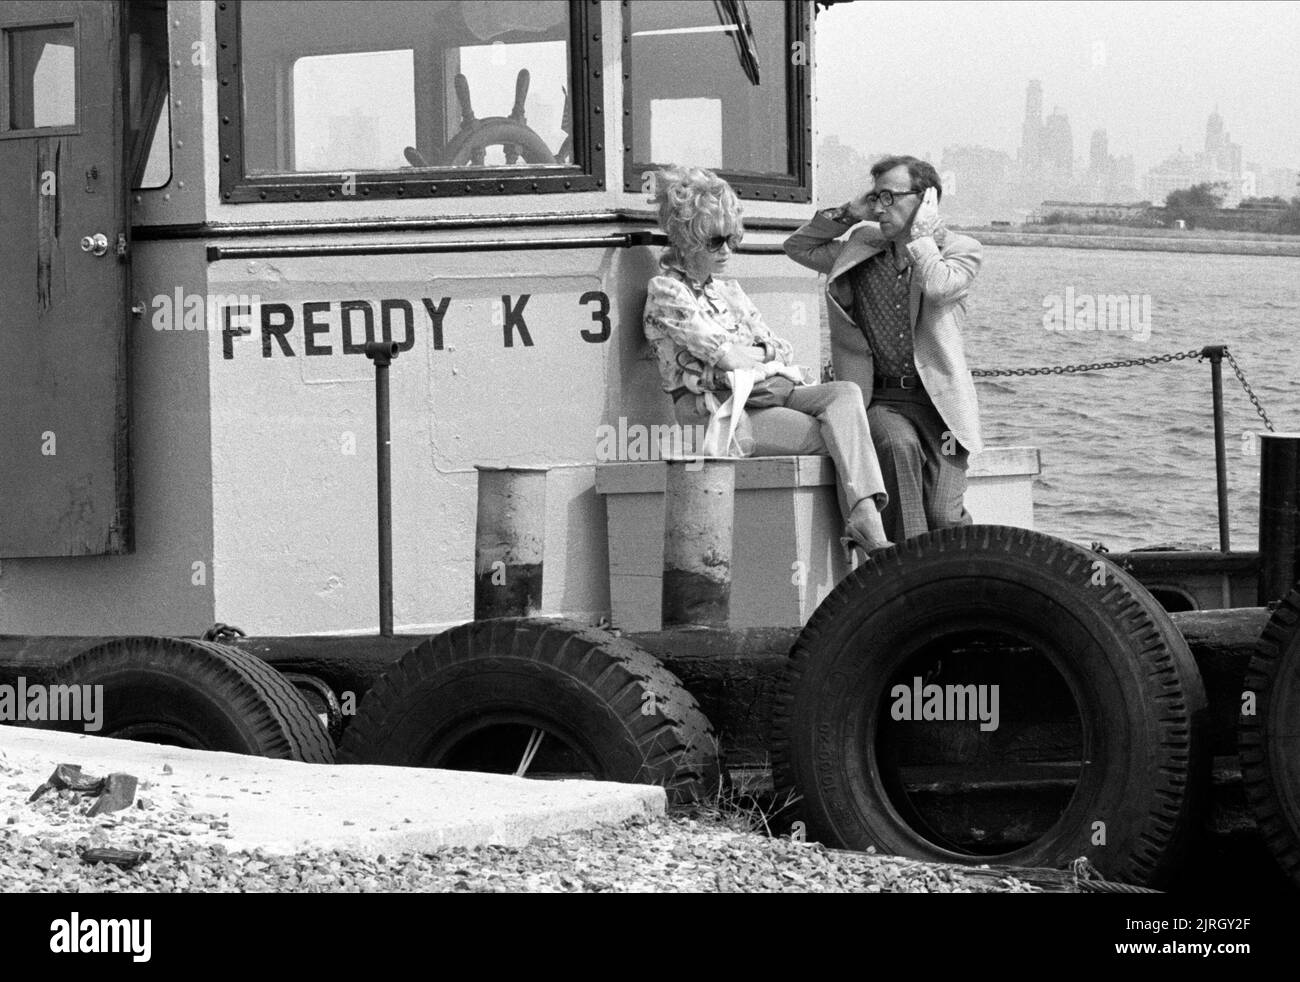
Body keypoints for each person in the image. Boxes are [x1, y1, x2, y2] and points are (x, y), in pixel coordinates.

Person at [642, 165, 891, 556]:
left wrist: (758, 357)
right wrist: (757, 357)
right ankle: (865, 525)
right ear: (687, 240)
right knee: (835, 434)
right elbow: (727, 356)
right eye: (715, 241)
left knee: (845, 395)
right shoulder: (667, 294)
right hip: (716, 411)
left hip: (763, 392)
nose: (727, 251)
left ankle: (863, 517)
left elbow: (780, 348)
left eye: (732, 239)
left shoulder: (729, 291)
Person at [784, 155, 983, 545]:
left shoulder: (962, 249)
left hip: (939, 406)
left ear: (926, 200)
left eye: (890, 196)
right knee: (896, 445)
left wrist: (921, 239)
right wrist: (849, 213)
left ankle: (963, 585)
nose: (880, 207)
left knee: (945, 514)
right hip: (880, 398)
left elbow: (940, 288)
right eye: (876, 197)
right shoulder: (862, 245)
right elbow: (799, 248)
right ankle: (905, 578)